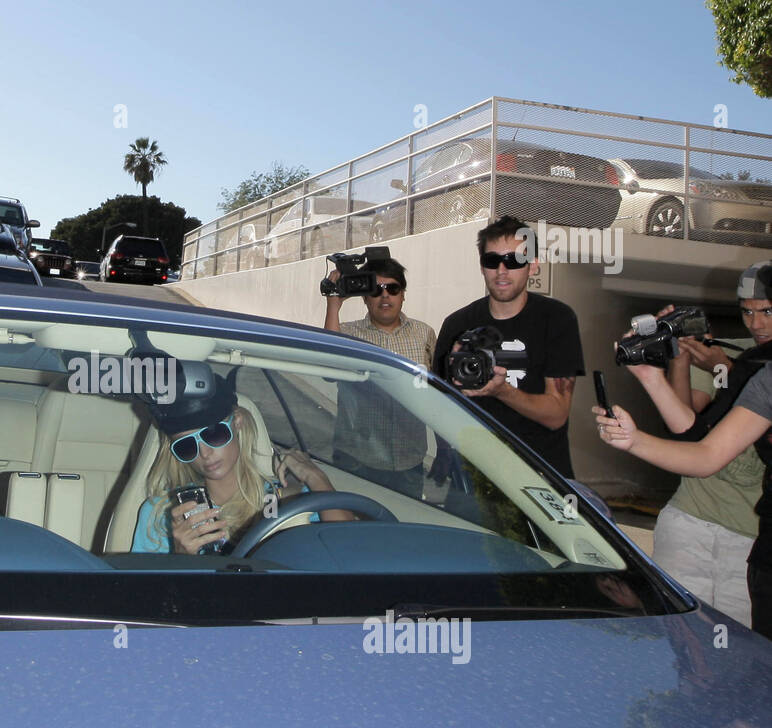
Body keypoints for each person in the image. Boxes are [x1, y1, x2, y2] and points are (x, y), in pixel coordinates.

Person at [597, 261, 772, 638]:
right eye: (747, 312)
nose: (756, 323)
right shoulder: (754, 368)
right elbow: (697, 440)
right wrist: (662, 368)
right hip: (710, 529)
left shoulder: (741, 362)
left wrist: (724, 366)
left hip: (745, 534)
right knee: (698, 654)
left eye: (766, 311)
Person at [130, 375, 352, 554]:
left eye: (214, 434)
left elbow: (349, 553)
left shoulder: (283, 501)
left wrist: (317, 479)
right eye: (187, 446)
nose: (204, 453)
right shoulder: (163, 514)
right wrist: (181, 558)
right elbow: (150, 604)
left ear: (237, 422)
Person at [433, 215, 584, 477]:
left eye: (514, 260)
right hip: (472, 477)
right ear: (482, 267)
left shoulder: (557, 319)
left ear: (533, 265)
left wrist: (501, 390)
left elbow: (557, 414)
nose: (502, 270)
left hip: (541, 477)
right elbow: (439, 407)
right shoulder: (457, 324)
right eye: (492, 261)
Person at [323, 256, 436, 499]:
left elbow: (437, 393)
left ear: (403, 294)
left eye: (393, 289)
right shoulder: (347, 334)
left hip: (410, 461)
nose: (385, 296)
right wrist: (333, 304)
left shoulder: (424, 334)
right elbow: (328, 368)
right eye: (376, 290)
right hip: (357, 460)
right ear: (364, 297)